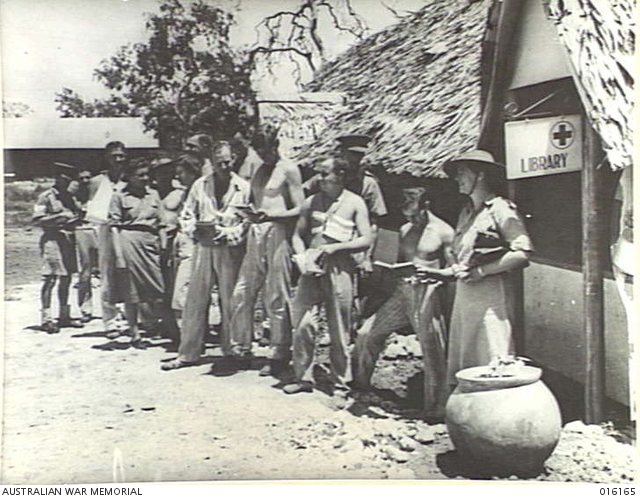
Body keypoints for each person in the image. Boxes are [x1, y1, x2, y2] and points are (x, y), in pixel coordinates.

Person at [353, 187, 455, 421]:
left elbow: (452, 271)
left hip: (428, 292)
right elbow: (401, 264)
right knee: (366, 334)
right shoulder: (405, 229)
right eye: (404, 202)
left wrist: (445, 302)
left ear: (426, 204)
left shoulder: (443, 231)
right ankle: (361, 385)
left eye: (412, 203)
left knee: (432, 350)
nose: (407, 209)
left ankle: (436, 409)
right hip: (403, 291)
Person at [283, 157, 372, 406]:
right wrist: (302, 257)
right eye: (319, 174)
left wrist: (338, 248)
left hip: (339, 267)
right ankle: (303, 377)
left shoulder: (354, 203)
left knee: (339, 327)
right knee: (302, 321)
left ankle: (341, 384)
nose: (320, 178)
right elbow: (297, 235)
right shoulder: (312, 202)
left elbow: (366, 239)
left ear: (340, 176)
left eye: (325, 174)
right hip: (312, 267)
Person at [443, 149, 533, 388]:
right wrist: (454, 269)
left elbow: (522, 253)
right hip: (465, 296)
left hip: (491, 298)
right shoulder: (467, 212)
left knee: (492, 356)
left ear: (480, 175)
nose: (457, 178)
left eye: (462, 173)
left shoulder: (500, 209)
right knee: (466, 357)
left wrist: (482, 272)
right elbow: (459, 253)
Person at [161, 141, 250, 370]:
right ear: (211, 161)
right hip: (202, 247)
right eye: (219, 162)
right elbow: (187, 214)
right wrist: (195, 231)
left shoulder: (243, 187)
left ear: (235, 159)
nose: (224, 166)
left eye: (228, 161)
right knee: (195, 299)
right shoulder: (200, 185)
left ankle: (234, 351)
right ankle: (188, 353)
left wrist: (228, 235)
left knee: (230, 299)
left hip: (229, 250)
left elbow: (247, 222)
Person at [226, 127, 304, 377]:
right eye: (259, 152)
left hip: (278, 231)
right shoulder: (260, 170)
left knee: (276, 295)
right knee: (242, 291)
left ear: (276, 145)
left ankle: (279, 353)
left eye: (267, 150)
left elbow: (301, 209)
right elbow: (256, 201)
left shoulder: (289, 169)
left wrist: (272, 216)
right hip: (256, 230)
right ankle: (242, 347)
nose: (264, 155)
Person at [108, 158, 164, 347]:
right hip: (128, 242)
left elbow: (162, 223)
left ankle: (161, 326)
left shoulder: (154, 194)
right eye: (140, 175)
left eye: (147, 174)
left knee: (159, 288)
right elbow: (114, 227)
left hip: (151, 243)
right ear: (129, 177)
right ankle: (135, 334)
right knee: (131, 292)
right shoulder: (119, 197)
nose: (145, 178)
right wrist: (118, 256)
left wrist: (162, 246)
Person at [33, 162, 83, 333]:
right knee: (50, 278)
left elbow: (77, 215)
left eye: (69, 178)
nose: (67, 181)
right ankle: (46, 318)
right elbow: (37, 220)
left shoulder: (69, 197)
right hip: (52, 240)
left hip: (69, 240)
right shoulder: (45, 196)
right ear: (57, 177)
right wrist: (59, 216)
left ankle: (64, 316)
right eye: (63, 177)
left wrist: (78, 217)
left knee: (67, 278)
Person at [85, 141, 128, 335]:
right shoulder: (96, 182)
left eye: (121, 155)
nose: (118, 160)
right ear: (106, 158)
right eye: (114, 156)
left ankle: (134, 317)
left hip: (127, 231)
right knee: (108, 275)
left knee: (130, 273)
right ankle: (110, 320)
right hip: (105, 231)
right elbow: (91, 208)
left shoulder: (129, 179)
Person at [167, 154, 202, 328]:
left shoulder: (201, 191)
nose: (177, 177)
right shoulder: (185, 193)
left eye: (181, 172)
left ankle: (188, 333)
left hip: (193, 246)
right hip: (181, 245)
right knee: (181, 290)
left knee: (183, 291)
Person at [72, 168, 99, 323]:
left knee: (109, 270)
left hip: (99, 230)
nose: (85, 181)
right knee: (85, 271)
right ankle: (85, 308)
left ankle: (116, 308)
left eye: (88, 178)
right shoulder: (74, 197)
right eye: (81, 178)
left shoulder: (98, 194)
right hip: (82, 230)